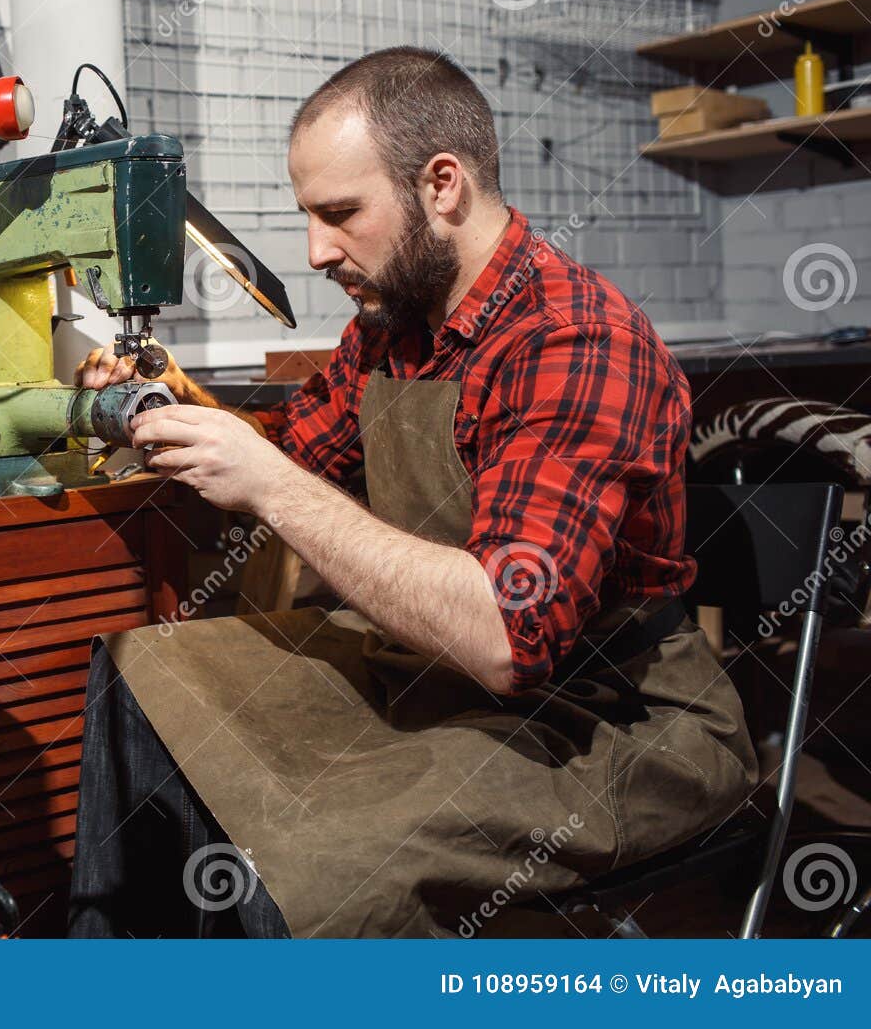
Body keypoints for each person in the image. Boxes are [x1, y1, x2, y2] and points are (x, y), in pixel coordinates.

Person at [66, 47, 757, 938]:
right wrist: (168, 411)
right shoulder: (394, 328)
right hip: (424, 670)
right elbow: (291, 453)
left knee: (322, 866)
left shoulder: (576, 341)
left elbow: (510, 636)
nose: (316, 250)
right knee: (144, 671)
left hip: (601, 716)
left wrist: (274, 486)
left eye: (340, 213)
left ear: (442, 185)